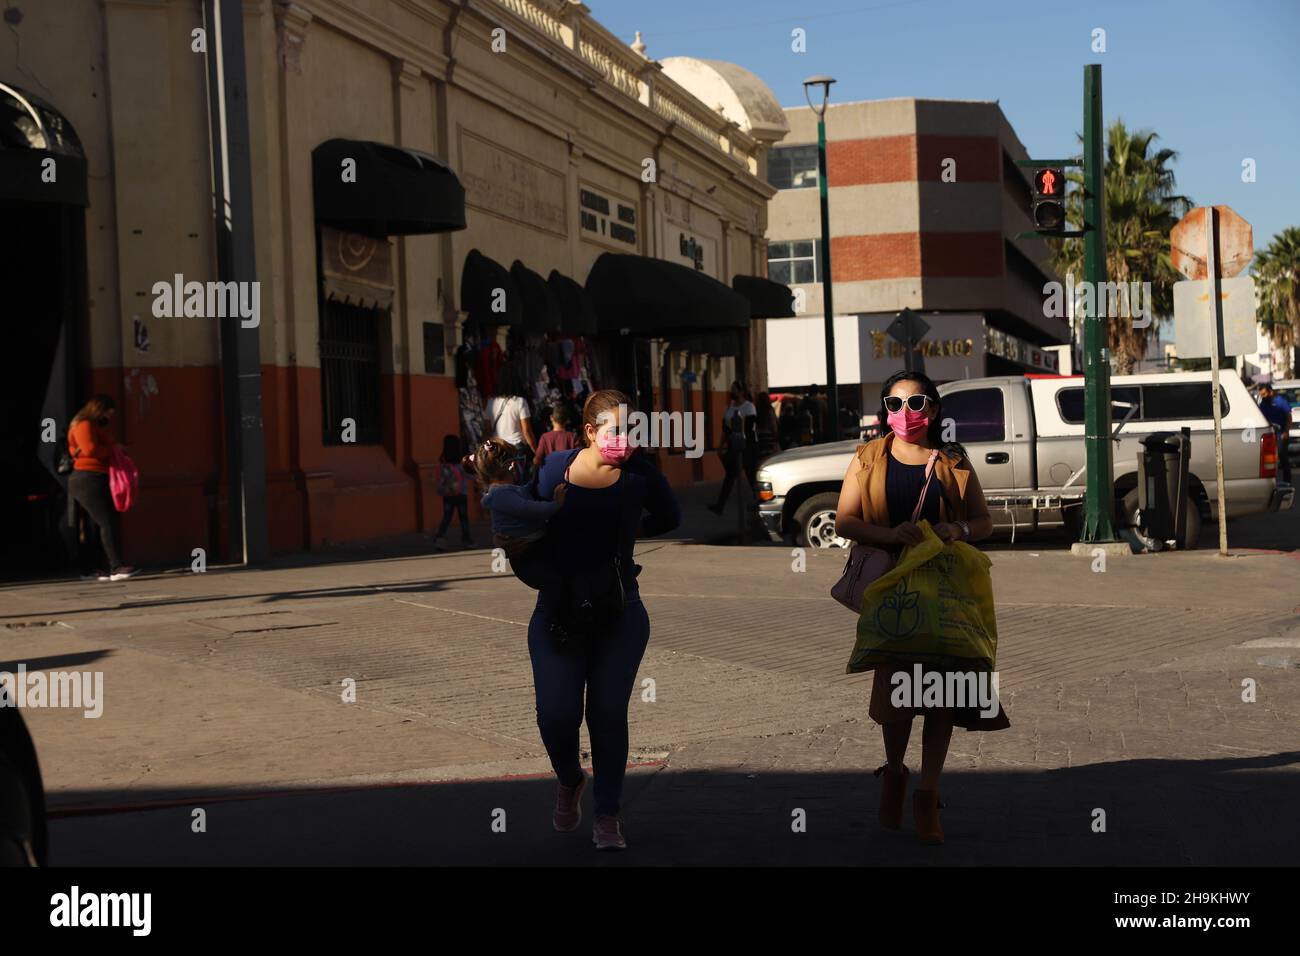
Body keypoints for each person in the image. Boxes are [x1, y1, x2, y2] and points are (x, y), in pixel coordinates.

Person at [833, 370, 1008, 845]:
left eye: (915, 405)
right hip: (894, 592)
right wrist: (889, 535)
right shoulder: (868, 457)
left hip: (946, 591)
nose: (904, 415)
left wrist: (958, 531)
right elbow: (845, 519)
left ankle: (927, 795)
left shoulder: (953, 460)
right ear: (883, 411)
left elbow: (983, 522)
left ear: (932, 410)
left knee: (942, 697)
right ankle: (894, 773)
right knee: (898, 701)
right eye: (894, 404)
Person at [527, 389, 680, 851]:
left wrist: (627, 531)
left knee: (608, 713)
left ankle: (608, 814)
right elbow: (527, 520)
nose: (627, 439)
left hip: (621, 611)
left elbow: (670, 516)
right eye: (617, 429)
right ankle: (571, 778)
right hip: (558, 611)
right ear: (590, 432)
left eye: (635, 430)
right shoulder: (556, 470)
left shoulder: (640, 475)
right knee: (556, 715)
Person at [66, 395, 136, 581]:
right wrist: (113, 450)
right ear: (99, 409)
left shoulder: (90, 425)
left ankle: (93, 569)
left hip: (93, 477)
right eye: (108, 412)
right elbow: (90, 450)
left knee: (95, 525)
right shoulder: (84, 425)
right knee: (107, 520)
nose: (110, 416)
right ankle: (116, 566)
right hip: (88, 478)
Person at [708, 381, 757, 516]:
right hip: (732, 446)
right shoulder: (730, 408)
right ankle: (720, 506)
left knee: (751, 476)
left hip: (746, 447)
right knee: (730, 476)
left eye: (734, 390)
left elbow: (750, 429)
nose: (731, 392)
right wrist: (721, 445)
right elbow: (725, 429)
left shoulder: (749, 407)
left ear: (741, 392)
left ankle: (761, 503)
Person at [485, 373, 536, 479]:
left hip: (498, 449)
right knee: (519, 481)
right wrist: (536, 451)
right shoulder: (520, 402)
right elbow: (526, 431)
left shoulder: (490, 402)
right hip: (516, 449)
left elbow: (488, 431)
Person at [433, 435, 473, 551]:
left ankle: (439, 539)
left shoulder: (443, 463)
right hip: (461, 494)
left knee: (446, 517)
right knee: (463, 518)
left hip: (448, 495)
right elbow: (468, 476)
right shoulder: (460, 464)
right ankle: (467, 541)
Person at [1257, 383, 1292, 484]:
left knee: (1282, 455)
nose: (1262, 397)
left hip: (1281, 434)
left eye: (1264, 394)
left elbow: (1289, 417)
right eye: (1261, 395)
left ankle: (1287, 480)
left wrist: (1286, 431)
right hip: (1269, 435)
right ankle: (1272, 482)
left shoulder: (1280, 402)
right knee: (1269, 460)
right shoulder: (1263, 404)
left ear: (1270, 392)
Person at [534, 403, 580, 467]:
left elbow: (537, 460)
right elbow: (579, 457)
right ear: (567, 420)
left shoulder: (545, 437)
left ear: (551, 418)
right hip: (568, 474)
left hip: (551, 473)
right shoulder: (572, 437)